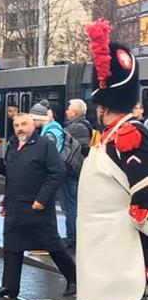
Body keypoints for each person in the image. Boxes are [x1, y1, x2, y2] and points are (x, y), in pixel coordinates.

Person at [66, 20, 148, 300]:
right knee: (95, 288)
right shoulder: (107, 136)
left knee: (131, 288)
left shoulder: (129, 134)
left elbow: (142, 182)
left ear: (104, 107)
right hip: (98, 231)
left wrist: (139, 209)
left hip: (125, 229)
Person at [0, 113, 76, 298]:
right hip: (15, 204)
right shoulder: (13, 145)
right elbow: (11, 175)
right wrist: (6, 201)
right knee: (12, 245)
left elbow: (58, 172)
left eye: (24, 124)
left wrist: (42, 199)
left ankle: (74, 279)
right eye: (16, 125)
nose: (20, 128)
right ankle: (9, 286)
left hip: (37, 206)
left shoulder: (44, 144)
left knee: (52, 244)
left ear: (33, 126)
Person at [60, 99, 93, 249]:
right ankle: (74, 234)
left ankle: (72, 236)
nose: (66, 111)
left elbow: (60, 137)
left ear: (75, 112)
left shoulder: (76, 128)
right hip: (75, 170)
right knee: (71, 203)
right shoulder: (83, 125)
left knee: (70, 205)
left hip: (71, 170)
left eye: (69, 109)